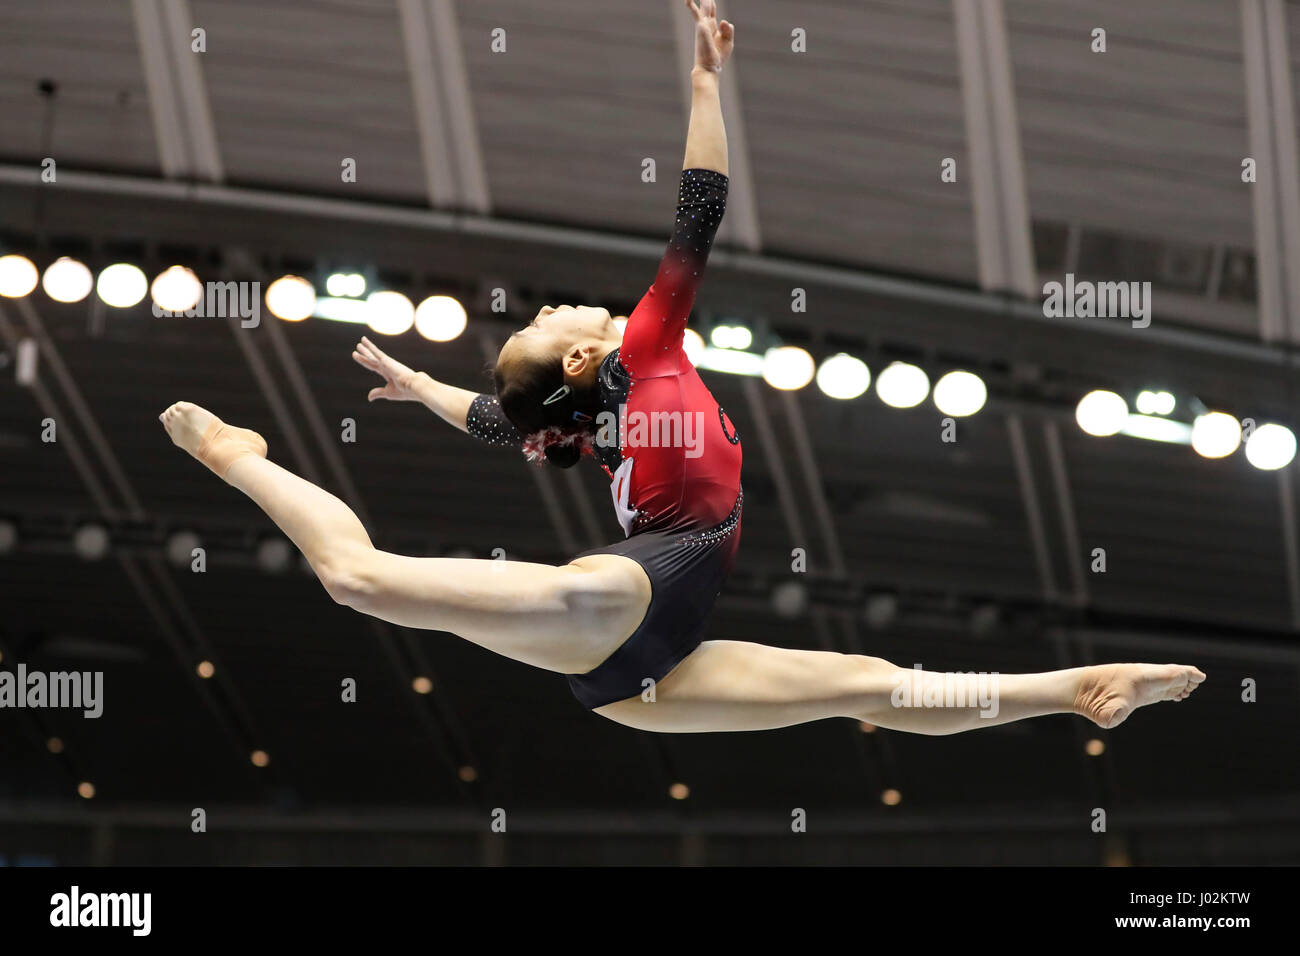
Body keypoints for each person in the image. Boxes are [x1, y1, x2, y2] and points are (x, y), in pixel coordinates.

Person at [160, 0, 1204, 734]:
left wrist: (427, 386)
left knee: (873, 685)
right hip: (636, 599)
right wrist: (705, 86)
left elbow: (501, 419)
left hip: (637, 675)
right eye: (556, 315)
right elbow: (696, 212)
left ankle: (1079, 684)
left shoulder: (597, 409)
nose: (568, 301)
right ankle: (238, 455)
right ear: (582, 349)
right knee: (356, 579)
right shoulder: (645, 344)